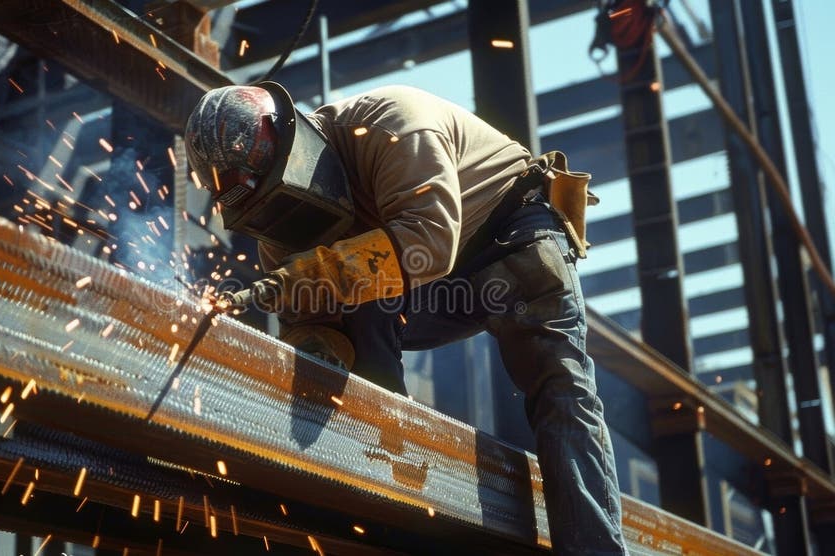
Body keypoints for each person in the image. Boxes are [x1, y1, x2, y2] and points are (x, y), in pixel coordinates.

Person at [184, 82, 627, 554]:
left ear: (297, 144)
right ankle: (391, 484)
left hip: (510, 241)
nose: (283, 211)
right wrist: (317, 353)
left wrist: (322, 273)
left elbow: (429, 243)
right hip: (421, 283)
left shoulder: (391, 123)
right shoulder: (279, 224)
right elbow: (315, 323)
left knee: (561, 392)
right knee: (357, 303)